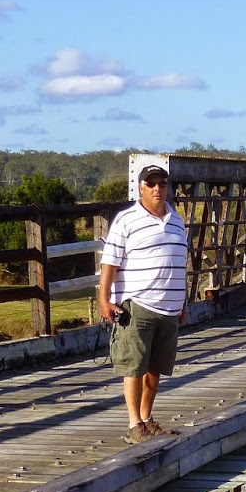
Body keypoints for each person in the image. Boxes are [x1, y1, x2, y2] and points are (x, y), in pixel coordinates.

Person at [98, 164, 190, 444]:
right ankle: (133, 423)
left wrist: (183, 301)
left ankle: (147, 418)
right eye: (151, 184)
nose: (157, 189)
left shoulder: (177, 220)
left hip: (170, 308)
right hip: (137, 305)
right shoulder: (126, 220)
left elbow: (179, 264)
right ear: (141, 187)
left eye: (162, 183)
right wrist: (105, 300)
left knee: (155, 368)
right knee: (134, 366)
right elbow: (109, 263)